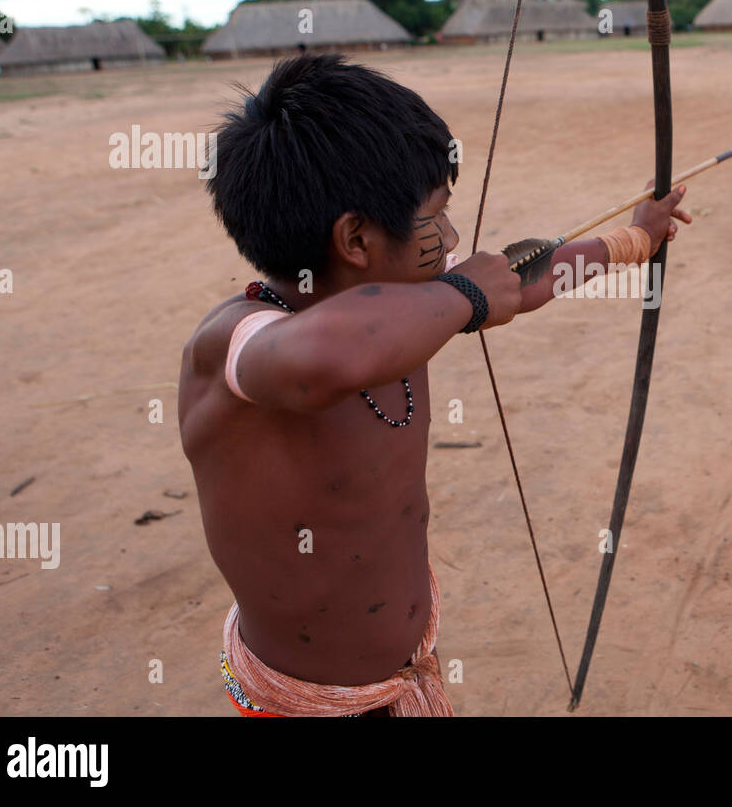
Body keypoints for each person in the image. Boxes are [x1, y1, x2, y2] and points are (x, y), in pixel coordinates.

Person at [177, 53, 688, 716]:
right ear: (356, 238)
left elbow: (513, 281)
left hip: (403, 667)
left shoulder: (412, 293)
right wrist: (464, 294)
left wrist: (629, 242)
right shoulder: (237, 344)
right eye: (435, 218)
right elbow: (325, 359)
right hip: (308, 703)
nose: (449, 238)